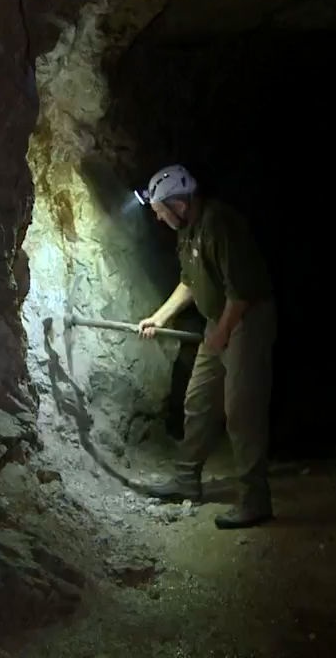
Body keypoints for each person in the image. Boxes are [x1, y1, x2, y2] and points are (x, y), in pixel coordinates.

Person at [136, 164, 278, 530]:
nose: (159, 219)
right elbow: (189, 280)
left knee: (241, 408)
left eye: (159, 212)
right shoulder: (188, 230)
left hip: (248, 317)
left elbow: (242, 290)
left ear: (179, 204)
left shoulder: (219, 224)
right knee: (199, 399)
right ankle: (186, 479)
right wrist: (160, 317)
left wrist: (224, 332)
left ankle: (254, 500)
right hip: (222, 317)